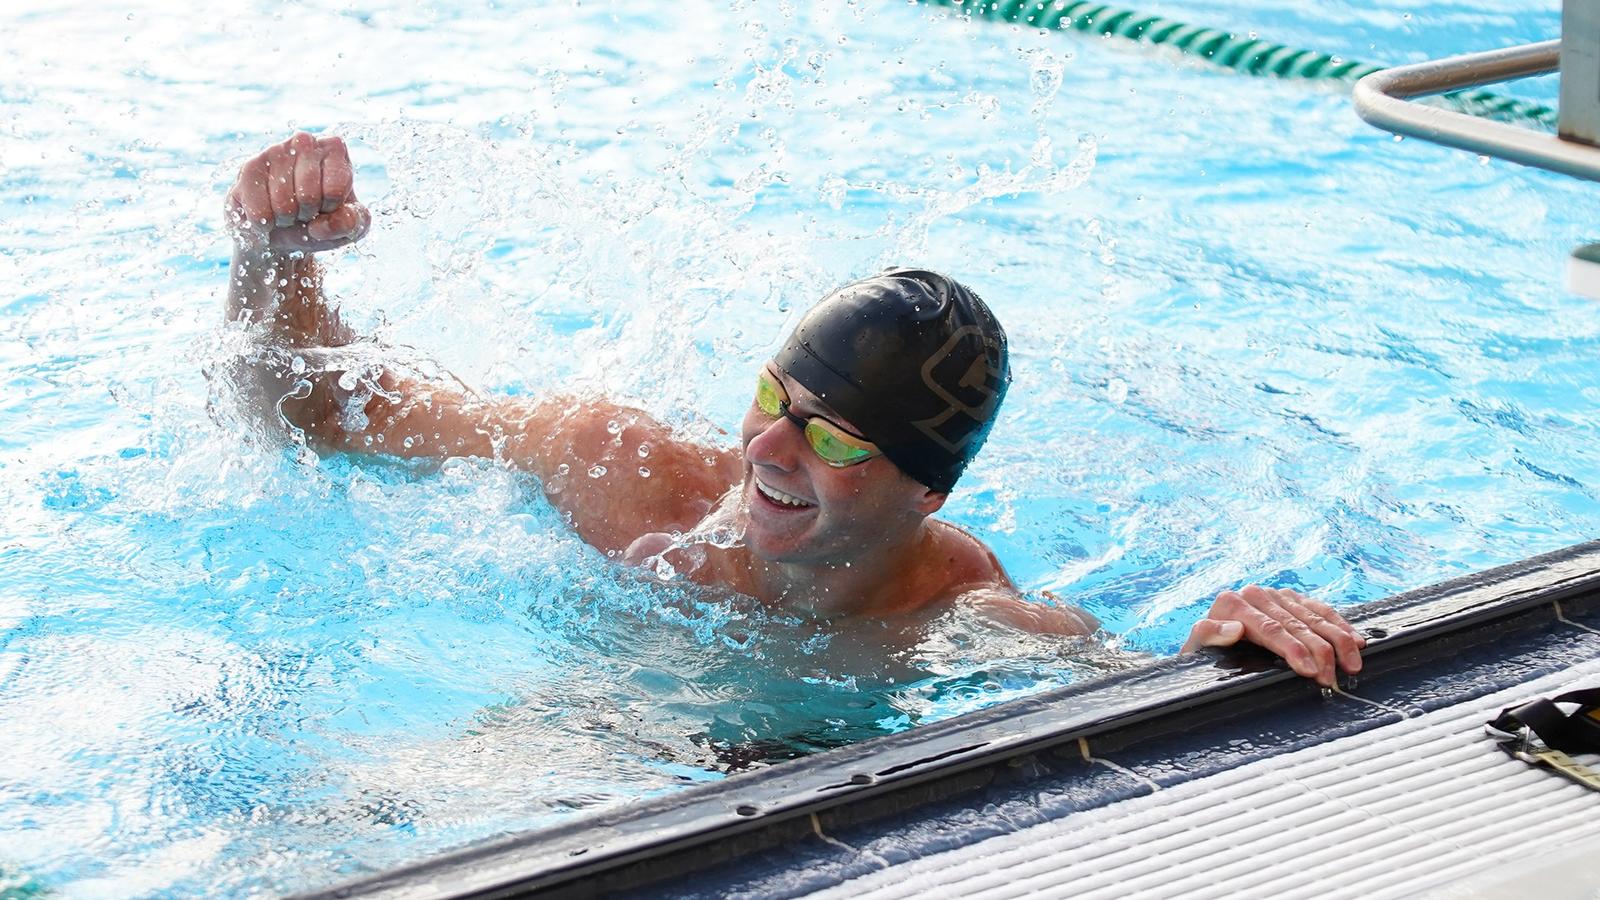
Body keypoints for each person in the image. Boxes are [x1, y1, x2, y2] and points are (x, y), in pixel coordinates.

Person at [222, 131, 1365, 687]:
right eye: (774, 396)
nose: (766, 446)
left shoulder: (961, 612)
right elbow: (308, 406)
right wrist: (273, 261)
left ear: (927, 489)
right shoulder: (609, 463)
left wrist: (1229, 647)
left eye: (829, 435)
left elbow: (1132, 690)